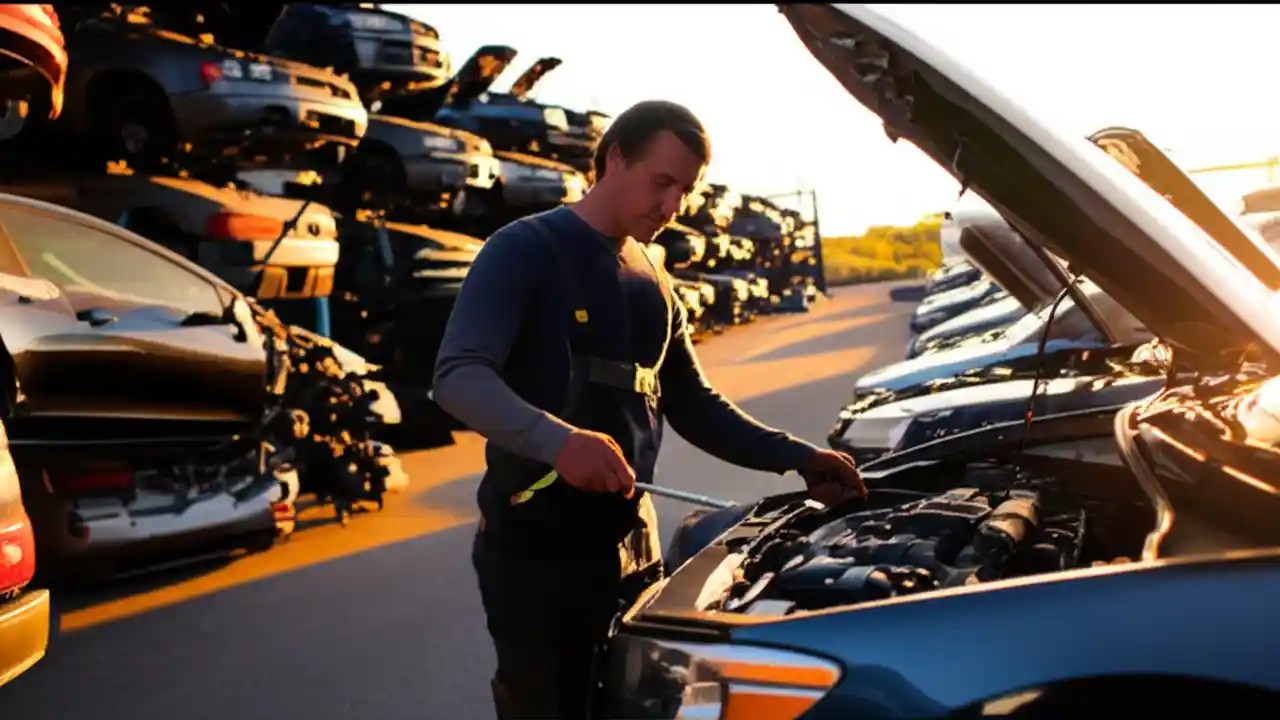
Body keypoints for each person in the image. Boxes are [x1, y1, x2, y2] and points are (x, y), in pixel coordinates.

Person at [431, 99, 866, 720]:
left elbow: (695, 405)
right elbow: (457, 376)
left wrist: (799, 458)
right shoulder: (525, 250)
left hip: (634, 548)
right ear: (614, 159)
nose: (671, 206)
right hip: (537, 553)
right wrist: (559, 441)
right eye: (661, 182)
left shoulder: (653, 276)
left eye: (685, 191)